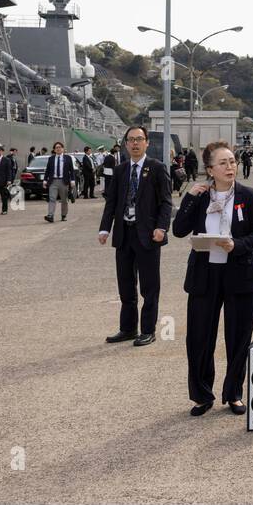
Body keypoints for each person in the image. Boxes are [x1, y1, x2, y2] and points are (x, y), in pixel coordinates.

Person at [173, 141, 253, 416]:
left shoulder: (249, 196)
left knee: (238, 336)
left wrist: (236, 245)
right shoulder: (200, 197)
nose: (230, 166)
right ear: (210, 169)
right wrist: (189, 197)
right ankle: (202, 395)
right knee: (200, 336)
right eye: (223, 163)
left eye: (232, 161)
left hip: (240, 273)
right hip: (205, 276)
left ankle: (234, 392)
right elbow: (178, 230)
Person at [98, 126, 172, 347]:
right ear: (125, 144)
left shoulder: (157, 168)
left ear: (147, 143)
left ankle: (148, 330)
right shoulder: (120, 170)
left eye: (139, 139)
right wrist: (104, 228)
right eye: (131, 140)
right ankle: (128, 328)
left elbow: (166, 202)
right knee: (126, 284)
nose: (135, 143)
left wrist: (162, 227)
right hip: (124, 234)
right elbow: (111, 202)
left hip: (148, 235)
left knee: (149, 286)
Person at [44, 141, 75, 223]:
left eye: (59, 147)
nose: (58, 149)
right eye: (56, 148)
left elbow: (71, 170)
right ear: (54, 150)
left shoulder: (68, 158)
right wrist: (45, 180)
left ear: (63, 149)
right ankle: (50, 215)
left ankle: (63, 215)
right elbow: (47, 170)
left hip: (63, 181)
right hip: (53, 181)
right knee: (52, 198)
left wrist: (72, 180)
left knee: (64, 200)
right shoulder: (51, 158)